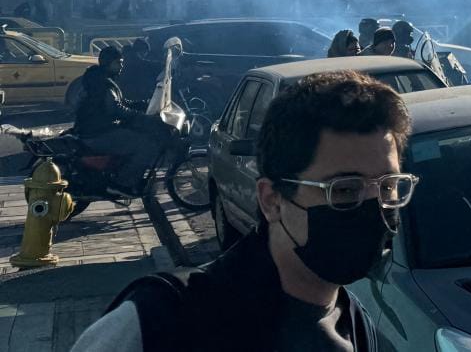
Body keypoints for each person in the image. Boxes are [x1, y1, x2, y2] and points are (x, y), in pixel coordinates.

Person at [71, 71, 415, 352]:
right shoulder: (161, 322)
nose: (375, 209)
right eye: (344, 190)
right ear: (272, 200)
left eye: (388, 187)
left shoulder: (357, 325)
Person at [74, 46, 169, 195]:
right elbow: (116, 110)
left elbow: (120, 102)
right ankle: (122, 184)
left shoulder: (100, 78)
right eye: (118, 62)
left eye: (122, 62)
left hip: (96, 130)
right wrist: (143, 117)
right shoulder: (102, 83)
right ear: (108, 63)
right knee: (145, 145)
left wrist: (144, 104)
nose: (121, 66)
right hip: (98, 133)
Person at [118, 39, 164, 105]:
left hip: (128, 94)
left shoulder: (128, 59)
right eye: (146, 52)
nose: (146, 54)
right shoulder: (135, 61)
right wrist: (162, 65)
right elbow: (146, 64)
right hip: (135, 96)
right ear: (143, 51)